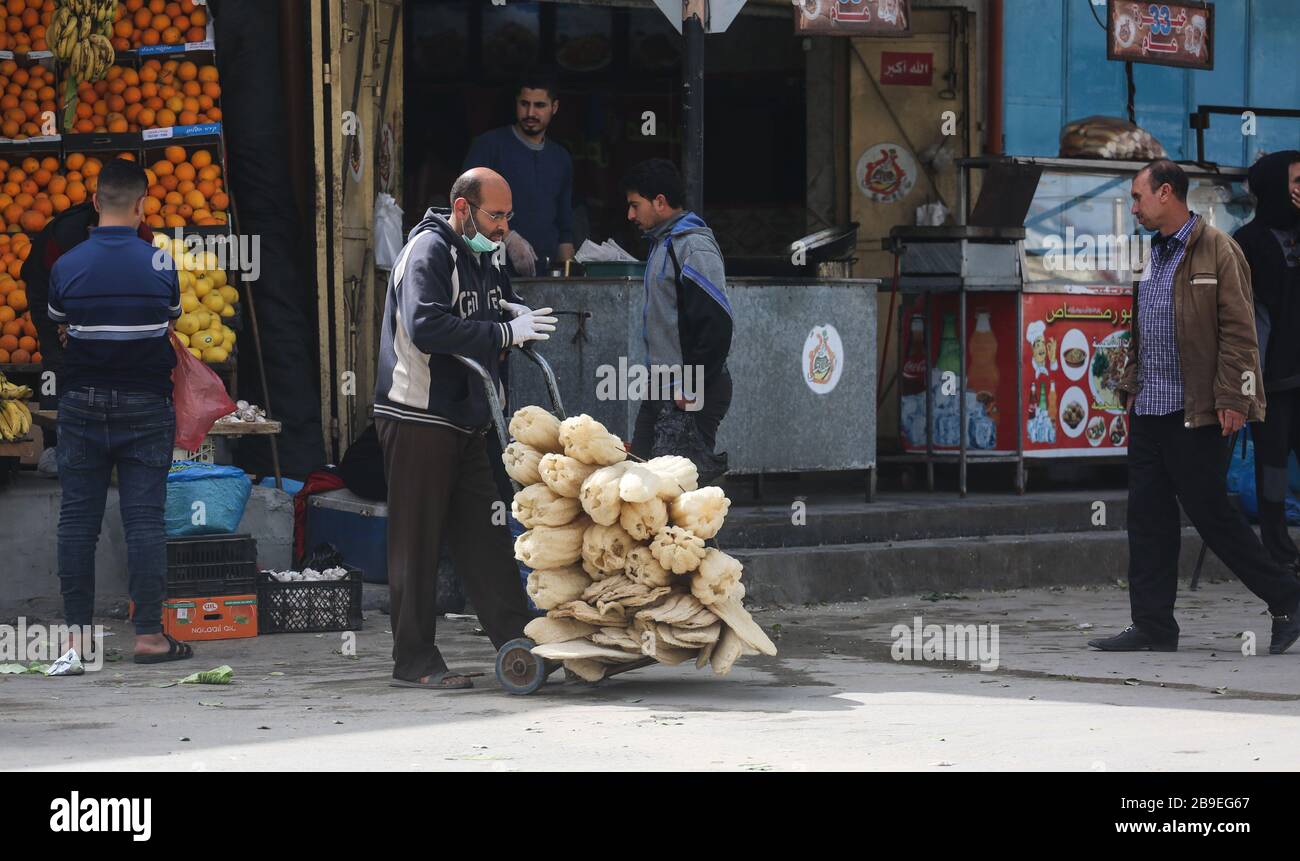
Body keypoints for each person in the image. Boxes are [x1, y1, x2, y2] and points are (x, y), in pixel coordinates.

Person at [1089, 159, 1300, 655]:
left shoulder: (1218, 250)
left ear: (1167, 192)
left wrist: (1234, 397)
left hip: (1198, 411)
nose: (1134, 207)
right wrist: (1130, 384)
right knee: (1147, 517)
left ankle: (1286, 594)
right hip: (1149, 409)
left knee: (1211, 514)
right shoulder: (1154, 253)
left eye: (1139, 197)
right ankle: (1153, 624)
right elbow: (1147, 327)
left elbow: (1241, 332)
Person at [373, 166, 557, 689]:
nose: (502, 227)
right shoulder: (428, 252)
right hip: (417, 418)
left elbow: (489, 307)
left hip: (468, 418)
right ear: (462, 208)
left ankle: (522, 645)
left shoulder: (482, 253)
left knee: (486, 537)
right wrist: (503, 331)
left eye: (507, 217)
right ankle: (414, 661)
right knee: (417, 543)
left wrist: (513, 315)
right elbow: (426, 325)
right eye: (494, 216)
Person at [47, 158, 192, 664]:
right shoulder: (160, 263)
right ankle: (150, 636)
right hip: (146, 405)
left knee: (77, 522)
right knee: (145, 522)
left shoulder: (66, 265)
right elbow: (168, 319)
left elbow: (62, 324)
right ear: (141, 205)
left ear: (94, 201)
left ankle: (77, 639)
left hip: (81, 404)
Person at [21, 201, 153, 478]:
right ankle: (55, 449)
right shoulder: (65, 236)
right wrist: (65, 324)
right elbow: (56, 285)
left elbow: (135, 285)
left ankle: (110, 447)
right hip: (47, 291)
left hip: (105, 300)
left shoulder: (141, 236)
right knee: (57, 363)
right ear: (91, 227)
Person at [622, 159, 733, 465]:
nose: (630, 214)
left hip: (691, 391)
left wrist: (692, 387)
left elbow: (716, 325)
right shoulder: (662, 243)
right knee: (637, 480)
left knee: (679, 497)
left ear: (659, 202)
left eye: (635, 205)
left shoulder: (692, 246)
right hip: (664, 389)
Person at [1235, 151, 1300, 570]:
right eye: (1295, 182)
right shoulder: (1247, 242)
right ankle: (1278, 548)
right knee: (1273, 464)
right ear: (1276, 186)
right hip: (1272, 378)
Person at [462, 68, 574, 276]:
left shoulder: (561, 158)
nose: (530, 113)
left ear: (554, 107)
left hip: (544, 274)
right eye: (524, 104)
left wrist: (567, 274)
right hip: (490, 271)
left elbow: (565, 225)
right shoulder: (489, 146)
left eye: (539, 105)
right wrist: (508, 236)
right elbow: (465, 203)